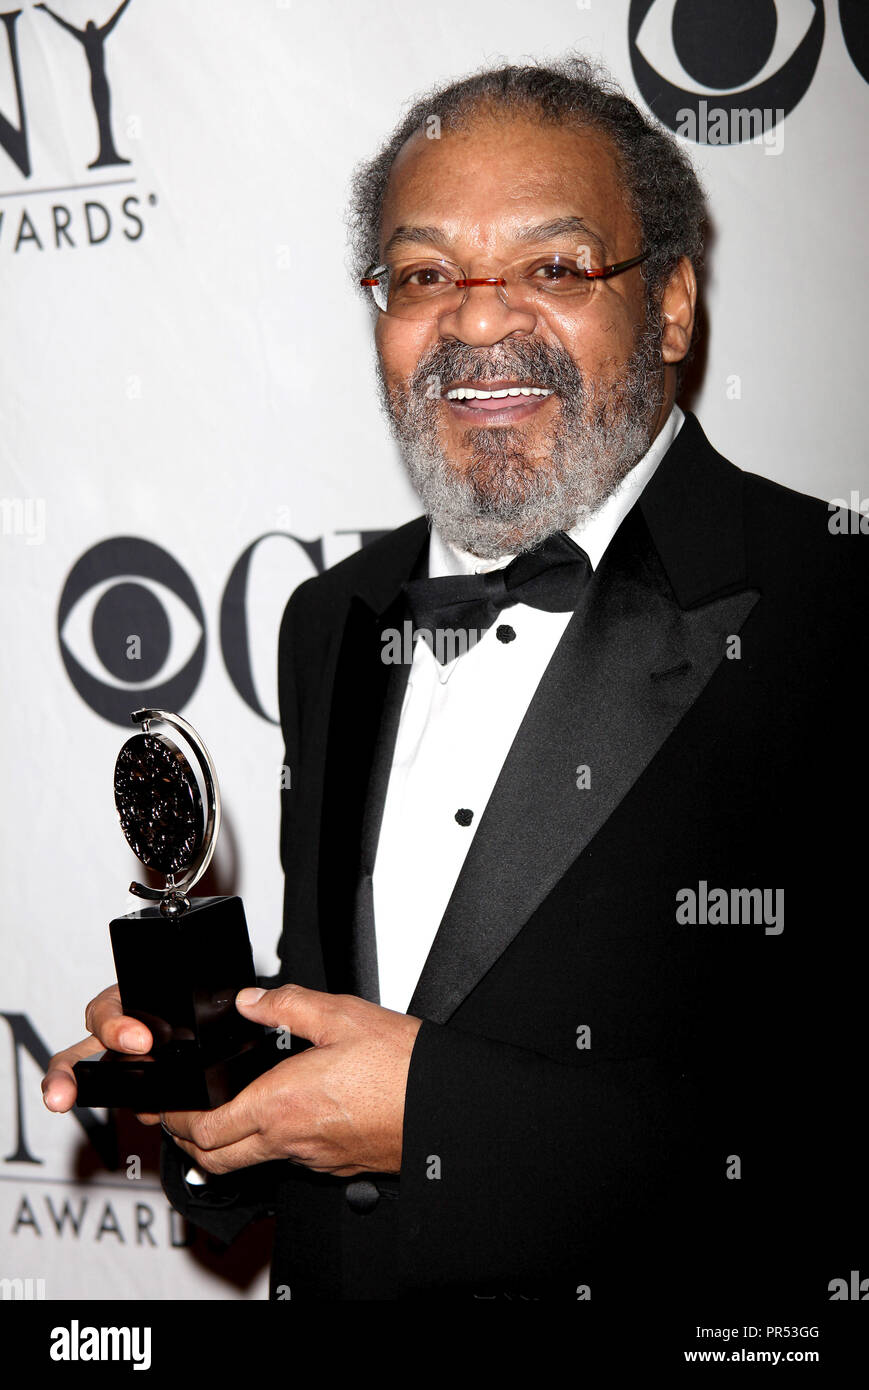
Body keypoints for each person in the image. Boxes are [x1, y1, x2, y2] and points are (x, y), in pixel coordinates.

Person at [43, 56, 865, 1307]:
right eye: (423, 274)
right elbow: (343, 1035)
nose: (476, 323)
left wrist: (436, 1114)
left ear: (672, 306)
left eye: (552, 266)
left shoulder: (832, 605)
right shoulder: (335, 616)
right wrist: (214, 1093)